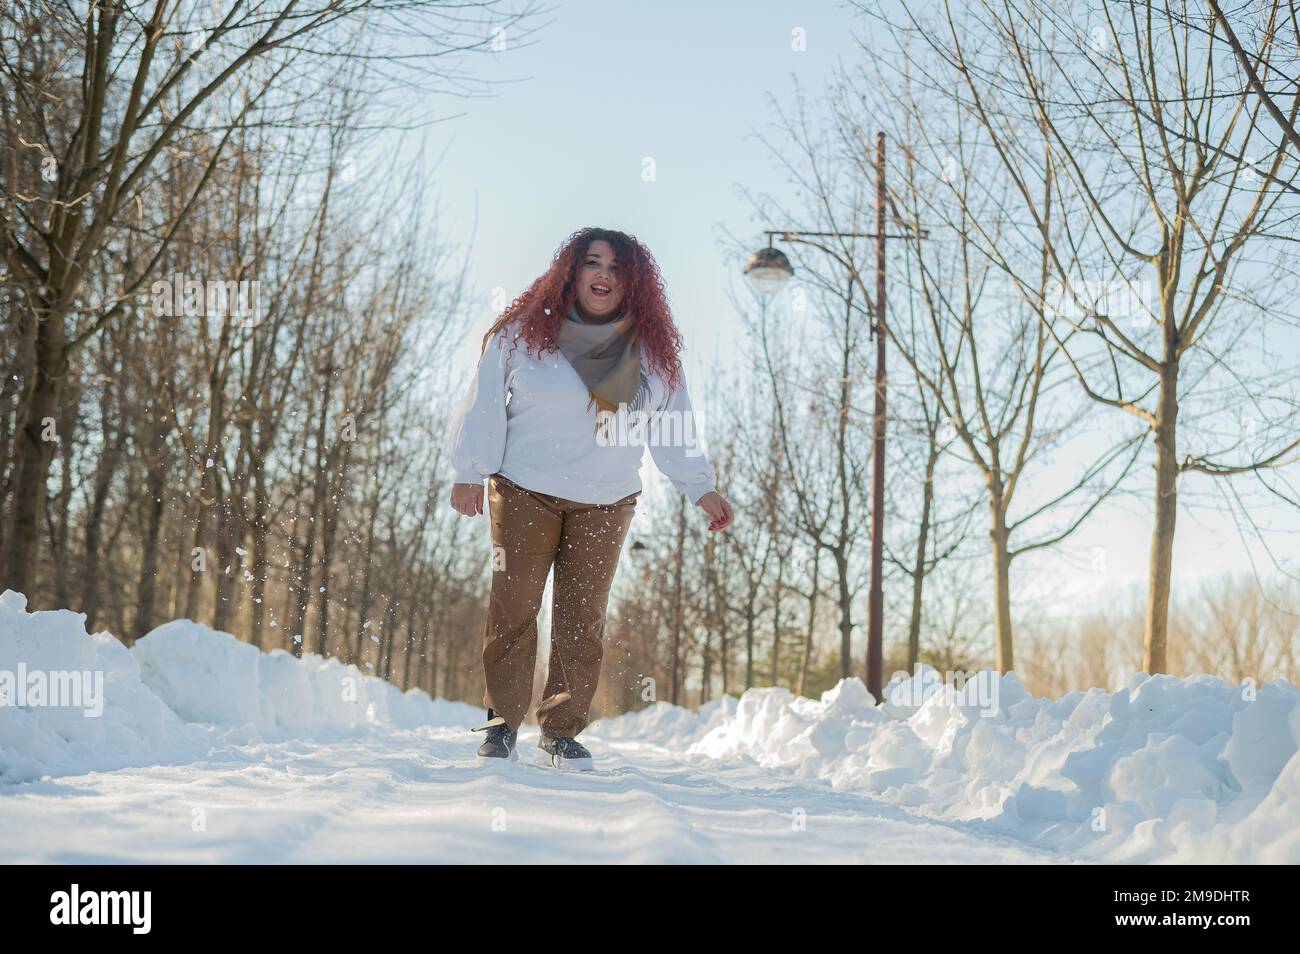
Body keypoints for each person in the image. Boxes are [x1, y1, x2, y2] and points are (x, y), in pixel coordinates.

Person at [447, 227, 734, 769]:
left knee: (583, 616)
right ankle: (501, 723)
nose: (603, 275)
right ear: (571, 271)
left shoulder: (650, 354)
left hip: (607, 498)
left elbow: (673, 426)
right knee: (515, 605)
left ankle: (560, 728)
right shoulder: (523, 334)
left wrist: (702, 487)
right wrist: (469, 470)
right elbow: (483, 402)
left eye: (616, 267)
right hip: (523, 487)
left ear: (634, 282)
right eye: (592, 263)